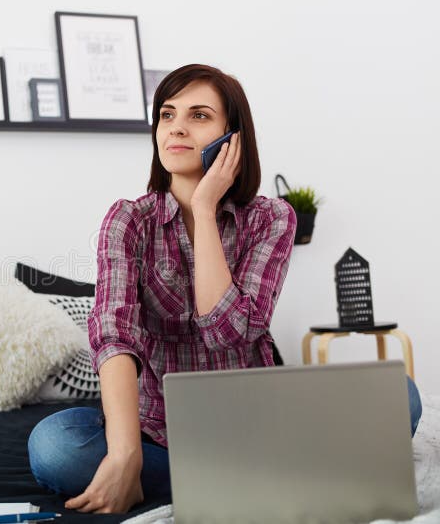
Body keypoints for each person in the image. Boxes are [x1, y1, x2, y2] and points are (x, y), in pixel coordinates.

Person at [26, 63, 423, 514]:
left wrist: (205, 206)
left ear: (231, 137)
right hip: (162, 435)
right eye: (167, 114)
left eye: (198, 116)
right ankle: (267, 475)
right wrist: (124, 454)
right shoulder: (127, 220)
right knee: (56, 447)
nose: (175, 128)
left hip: (265, 424)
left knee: (399, 396)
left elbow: (228, 332)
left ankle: (231, 475)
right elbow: (115, 336)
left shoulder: (272, 218)